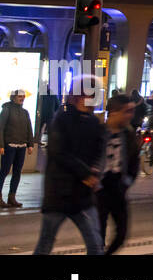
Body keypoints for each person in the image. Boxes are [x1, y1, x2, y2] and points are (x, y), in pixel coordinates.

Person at [34, 82, 106, 255]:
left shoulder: (93, 122)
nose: (95, 100)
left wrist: (96, 170)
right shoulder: (61, 119)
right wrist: (86, 174)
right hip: (59, 193)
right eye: (91, 95)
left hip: (82, 195)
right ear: (78, 97)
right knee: (46, 242)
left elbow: (100, 150)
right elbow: (59, 152)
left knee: (95, 244)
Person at [97, 94, 140, 255]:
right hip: (98, 189)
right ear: (114, 112)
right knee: (97, 235)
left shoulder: (128, 134)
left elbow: (134, 161)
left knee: (121, 233)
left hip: (118, 187)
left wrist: (127, 182)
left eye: (132, 111)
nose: (131, 115)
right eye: (127, 111)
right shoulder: (98, 133)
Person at [1, 89, 36, 207]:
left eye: (23, 96)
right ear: (13, 97)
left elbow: (29, 129)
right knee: (4, 171)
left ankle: (12, 197)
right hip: (9, 146)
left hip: (21, 146)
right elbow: (1, 128)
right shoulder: (7, 109)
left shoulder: (25, 112)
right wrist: (1, 145)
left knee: (17, 172)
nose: (22, 98)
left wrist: (30, 144)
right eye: (20, 96)